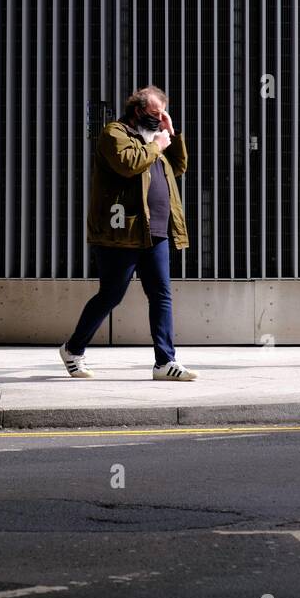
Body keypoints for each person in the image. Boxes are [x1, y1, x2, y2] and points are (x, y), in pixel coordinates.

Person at [60, 85, 199, 382]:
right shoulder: (115, 133)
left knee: (161, 295)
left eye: (163, 113)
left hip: (156, 231)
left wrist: (171, 134)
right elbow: (129, 164)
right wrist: (158, 145)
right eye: (154, 113)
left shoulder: (156, 140)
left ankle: (165, 361)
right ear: (137, 110)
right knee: (111, 295)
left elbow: (178, 167)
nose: (159, 118)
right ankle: (73, 349)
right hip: (121, 233)